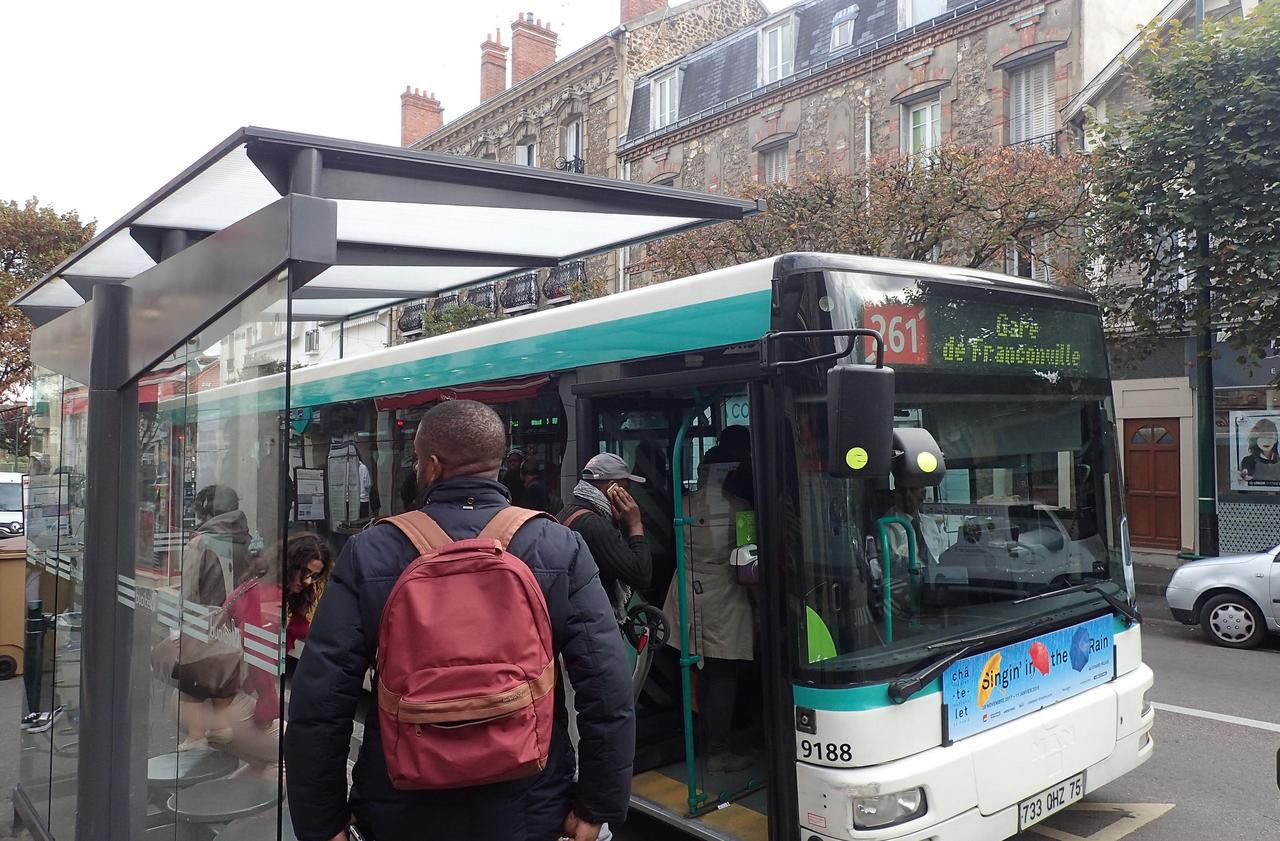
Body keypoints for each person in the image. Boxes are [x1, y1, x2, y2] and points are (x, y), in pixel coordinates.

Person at [285, 400, 633, 841]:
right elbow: (606, 685)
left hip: (401, 810)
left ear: (431, 465)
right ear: (498, 461)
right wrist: (597, 806)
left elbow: (321, 698)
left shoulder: (370, 551)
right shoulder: (559, 546)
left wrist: (322, 822)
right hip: (530, 805)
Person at [663, 442, 755, 774]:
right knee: (723, 671)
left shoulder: (684, 504)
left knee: (700, 669)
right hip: (724, 597)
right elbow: (749, 557)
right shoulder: (740, 508)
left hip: (686, 592)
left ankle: (704, 740)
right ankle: (719, 750)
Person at [558, 453, 652, 621]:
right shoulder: (594, 524)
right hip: (593, 621)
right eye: (626, 488)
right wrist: (635, 524)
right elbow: (641, 575)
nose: (630, 494)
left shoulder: (570, 511)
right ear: (612, 488)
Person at [181, 485, 250, 607]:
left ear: (204, 512)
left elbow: (187, 597)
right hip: (244, 616)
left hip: (209, 616)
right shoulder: (249, 541)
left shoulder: (199, 544)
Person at [1239, 418, 1280, 483]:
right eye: (1262, 437)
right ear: (1255, 440)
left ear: (1275, 439)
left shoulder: (1278, 461)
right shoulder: (1248, 461)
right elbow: (1245, 481)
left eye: (1270, 437)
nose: (1266, 441)